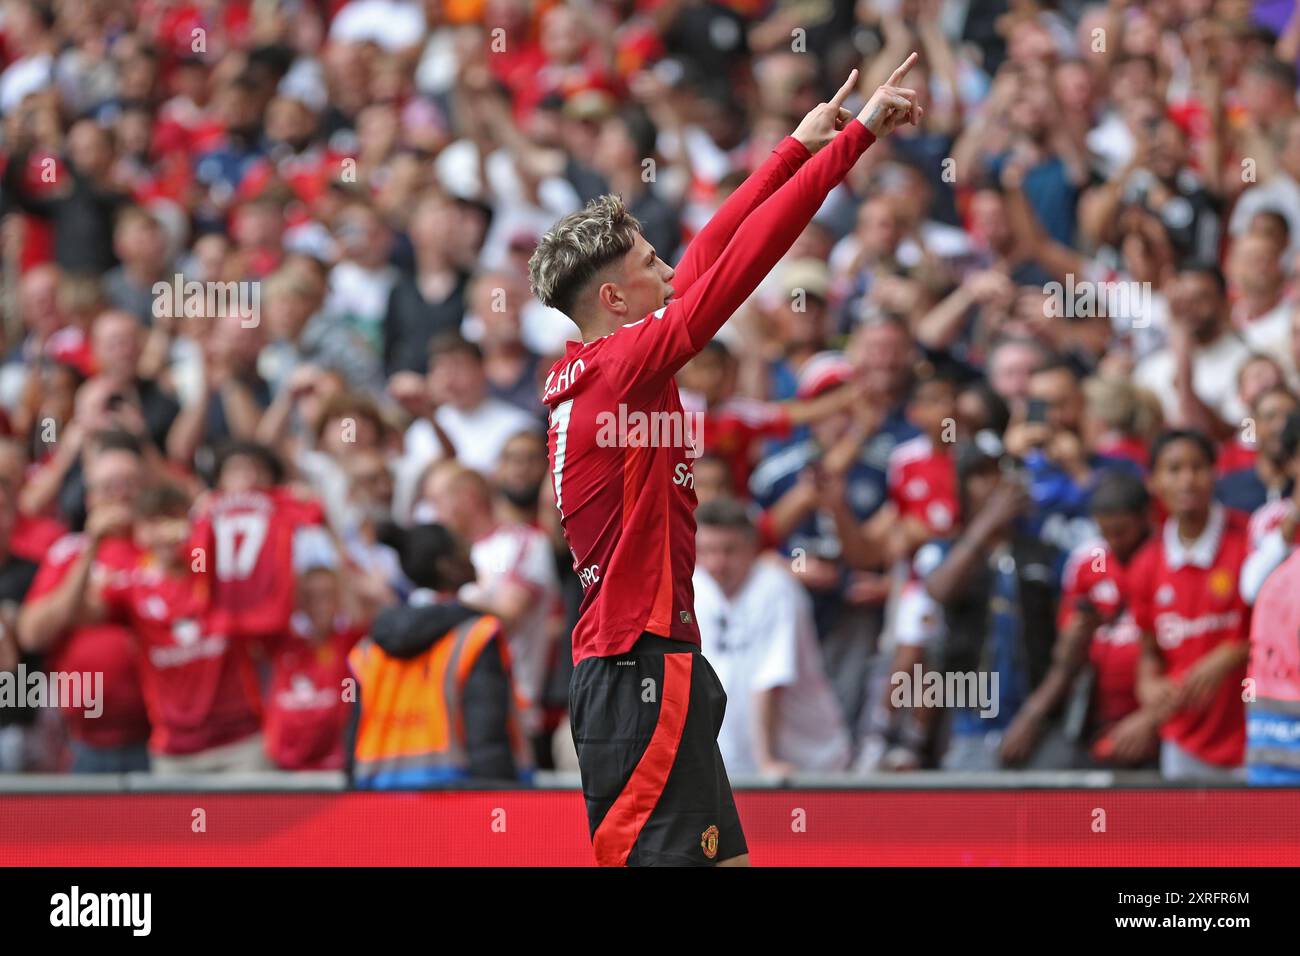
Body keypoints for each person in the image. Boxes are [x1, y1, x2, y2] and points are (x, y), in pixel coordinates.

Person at [530, 56, 922, 866]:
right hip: (638, 669)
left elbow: (708, 253)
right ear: (613, 299)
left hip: (647, 665)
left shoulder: (601, 366)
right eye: (648, 264)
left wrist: (792, 149)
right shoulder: (622, 369)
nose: (670, 271)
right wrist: (856, 141)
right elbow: (738, 270)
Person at [346, 524, 532, 788]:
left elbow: (352, 744)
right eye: (462, 548)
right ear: (447, 565)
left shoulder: (367, 648)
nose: (470, 555)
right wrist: (500, 813)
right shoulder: (476, 635)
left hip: (379, 810)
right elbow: (488, 741)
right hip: (454, 807)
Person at [692, 497, 850, 778]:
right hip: (735, 759)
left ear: (752, 548)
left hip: (807, 759)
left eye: (729, 551)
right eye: (706, 551)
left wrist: (765, 759)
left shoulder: (776, 588)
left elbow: (770, 679)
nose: (717, 562)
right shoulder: (696, 586)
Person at [1128, 430, 1250, 782]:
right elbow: (1149, 649)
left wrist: (1230, 655)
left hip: (1253, 736)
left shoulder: (1250, 541)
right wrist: (1147, 684)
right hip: (1183, 741)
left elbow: (1278, 634)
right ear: (1153, 482)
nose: (1187, 479)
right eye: (1174, 469)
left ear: (1215, 474)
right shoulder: (1147, 564)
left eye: (1197, 467)